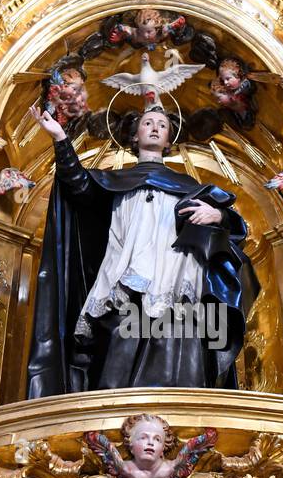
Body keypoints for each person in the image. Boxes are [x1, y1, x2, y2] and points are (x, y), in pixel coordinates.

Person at [25, 102, 257, 396]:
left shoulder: (188, 185)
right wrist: (60, 138)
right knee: (120, 338)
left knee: (177, 341)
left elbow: (233, 228)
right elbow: (78, 186)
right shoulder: (115, 181)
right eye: (148, 122)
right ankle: (113, 411)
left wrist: (218, 216)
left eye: (162, 124)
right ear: (134, 136)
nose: (155, 127)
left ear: (169, 140)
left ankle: (179, 408)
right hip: (126, 273)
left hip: (176, 277)